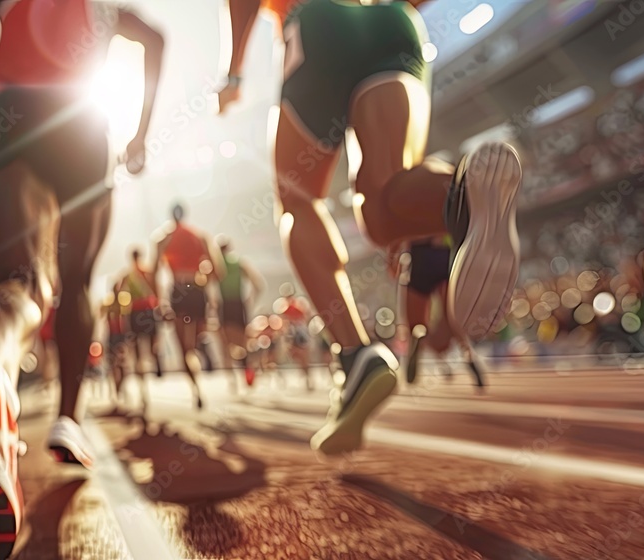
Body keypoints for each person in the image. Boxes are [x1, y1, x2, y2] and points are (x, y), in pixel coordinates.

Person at [216, 0, 522, 455]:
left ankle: (356, 354)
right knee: (380, 207)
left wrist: (234, 72)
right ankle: (460, 196)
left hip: (319, 24)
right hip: (394, 22)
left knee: (297, 203)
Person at [0, 1, 164, 556]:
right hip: (84, 123)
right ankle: (69, 420)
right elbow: (155, 39)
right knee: (74, 283)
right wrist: (141, 132)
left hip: (13, 118)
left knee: (21, 282)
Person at [152, 203, 225, 409]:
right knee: (192, 340)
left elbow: (153, 273)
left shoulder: (163, 239)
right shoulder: (200, 237)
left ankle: (196, 389)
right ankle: (201, 343)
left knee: (183, 347)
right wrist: (201, 274)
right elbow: (218, 273)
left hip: (179, 293)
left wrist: (161, 302)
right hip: (196, 291)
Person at [396, 237, 485, 391]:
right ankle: (469, 357)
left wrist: (395, 251)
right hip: (444, 257)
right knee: (453, 320)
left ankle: (418, 344)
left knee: (416, 325)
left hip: (419, 257)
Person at [214, 235, 263, 389]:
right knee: (243, 343)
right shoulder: (239, 263)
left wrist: (212, 305)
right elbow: (258, 284)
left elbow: (205, 284)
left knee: (226, 344)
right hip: (238, 305)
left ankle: (232, 379)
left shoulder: (216, 265)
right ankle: (247, 372)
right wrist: (250, 300)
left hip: (226, 306)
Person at [117, 247, 163, 379]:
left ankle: (140, 366)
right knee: (151, 339)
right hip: (147, 309)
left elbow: (121, 293)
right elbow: (156, 289)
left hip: (136, 311)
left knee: (138, 341)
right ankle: (155, 361)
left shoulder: (128, 275)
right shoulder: (146, 272)